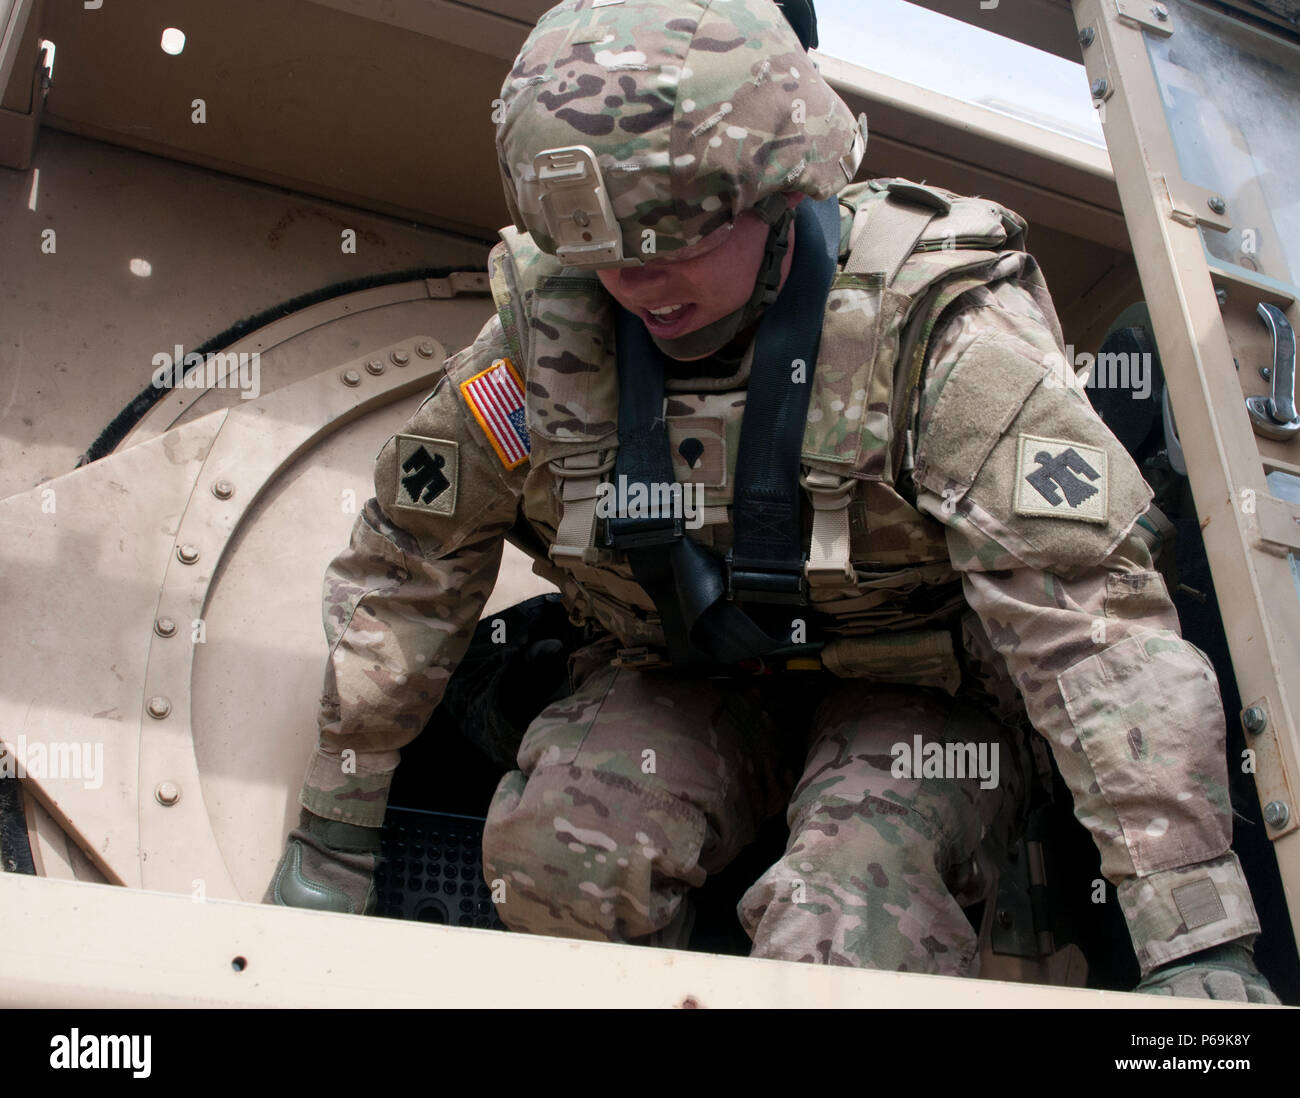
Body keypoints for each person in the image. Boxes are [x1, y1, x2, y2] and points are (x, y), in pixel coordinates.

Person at [266, 0, 1277, 1000]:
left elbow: (1092, 633)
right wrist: (334, 829)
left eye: (677, 241)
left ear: (782, 189)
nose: (639, 284)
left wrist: (1191, 939)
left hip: (925, 696)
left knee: (847, 917)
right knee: (560, 859)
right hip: (683, 671)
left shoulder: (938, 343)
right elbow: (414, 561)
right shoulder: (549, 339)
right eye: (605, 252)